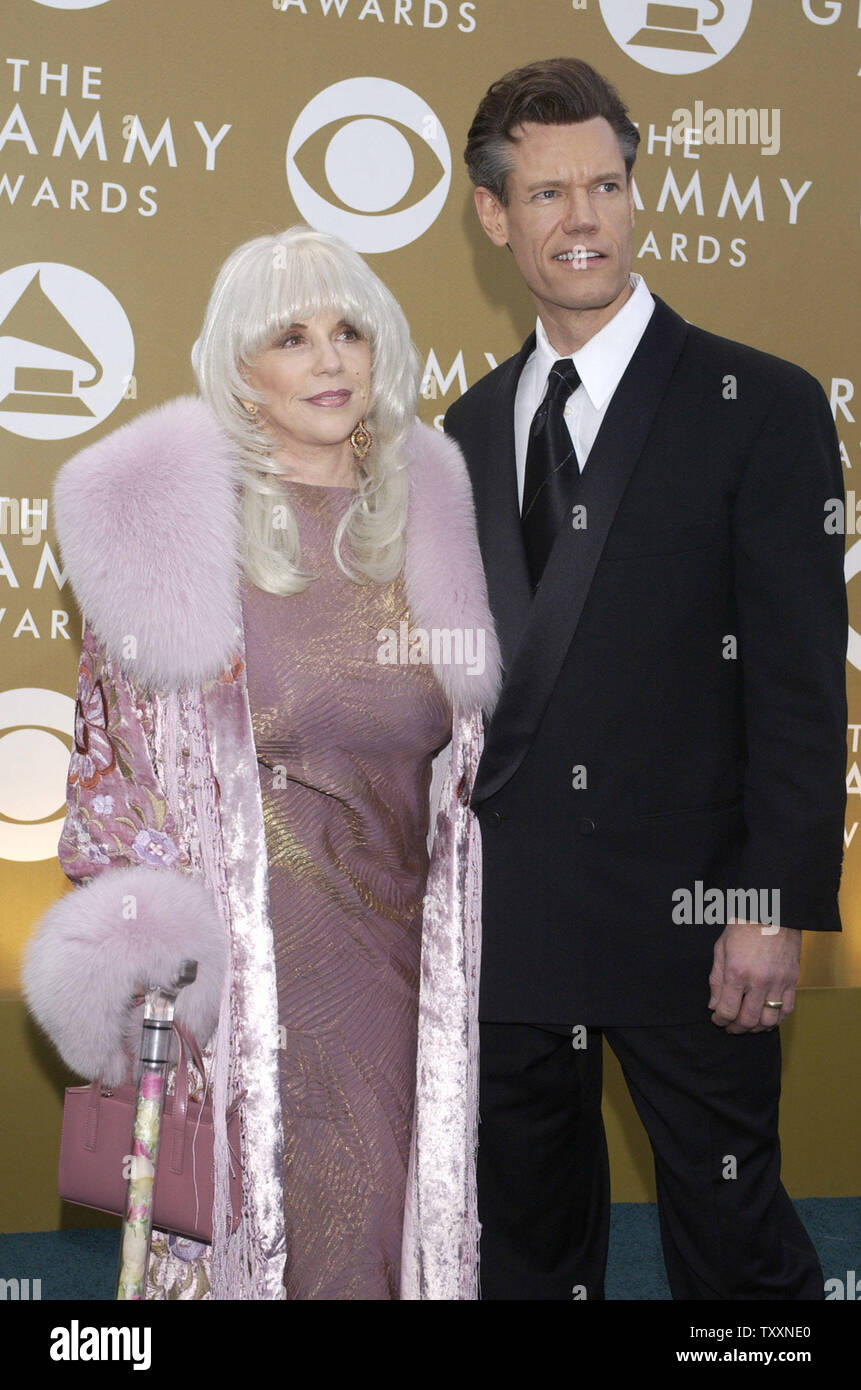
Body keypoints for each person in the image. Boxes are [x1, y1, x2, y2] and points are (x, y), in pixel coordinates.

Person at [23, 225, 499, 1300]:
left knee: (384, 1235)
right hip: (241, 988)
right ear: (242, 372)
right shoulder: (175, 540)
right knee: (257, 1241)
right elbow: (113, 784)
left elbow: (461, 784)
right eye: (292, 337)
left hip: (403, 973)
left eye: (350, 333)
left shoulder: (430, 522)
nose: (330, 360)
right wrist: (146, 968)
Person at [443, 57, 847, 1300]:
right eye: (551, 192)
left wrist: (769, 903)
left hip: (698, 926)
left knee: (735, 1255)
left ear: (635, 193)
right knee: (524, 1255)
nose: (585, 219)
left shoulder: (760, 406)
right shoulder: (465, 430)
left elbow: (795, 685)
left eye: (608, 186)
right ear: (494, 213)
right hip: (511, 925)